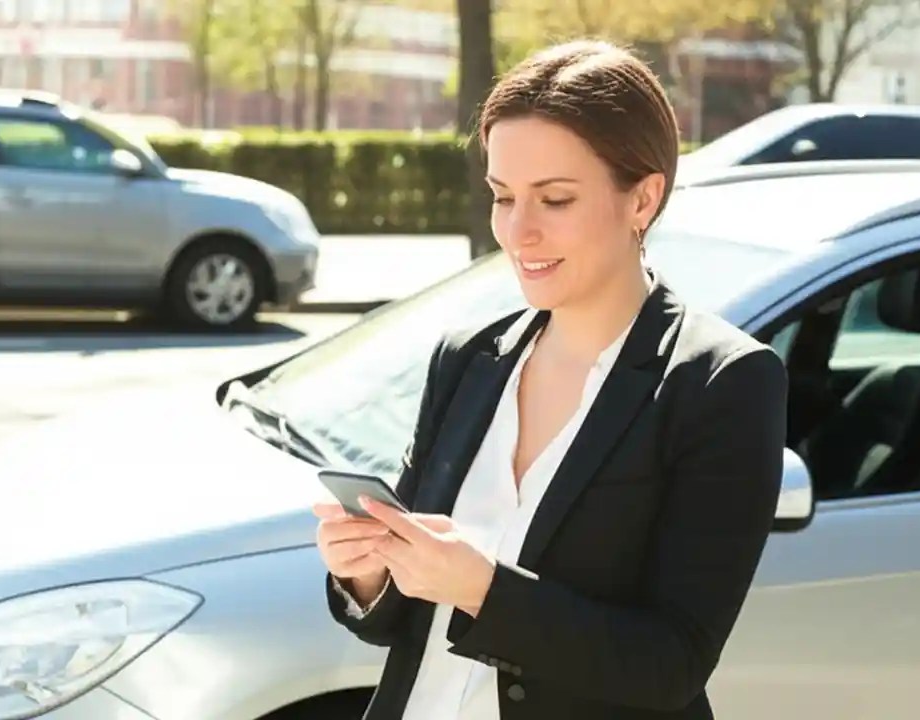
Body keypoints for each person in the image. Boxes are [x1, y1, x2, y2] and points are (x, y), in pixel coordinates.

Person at [313, 38, 788, 720]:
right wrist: (366, 574)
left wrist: (482, 589)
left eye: (555, 199)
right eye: (503, 197)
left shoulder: (721, 383)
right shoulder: (469, 358)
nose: (518, 231)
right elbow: (399, 623)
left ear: (643, 198)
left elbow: (669, 665)